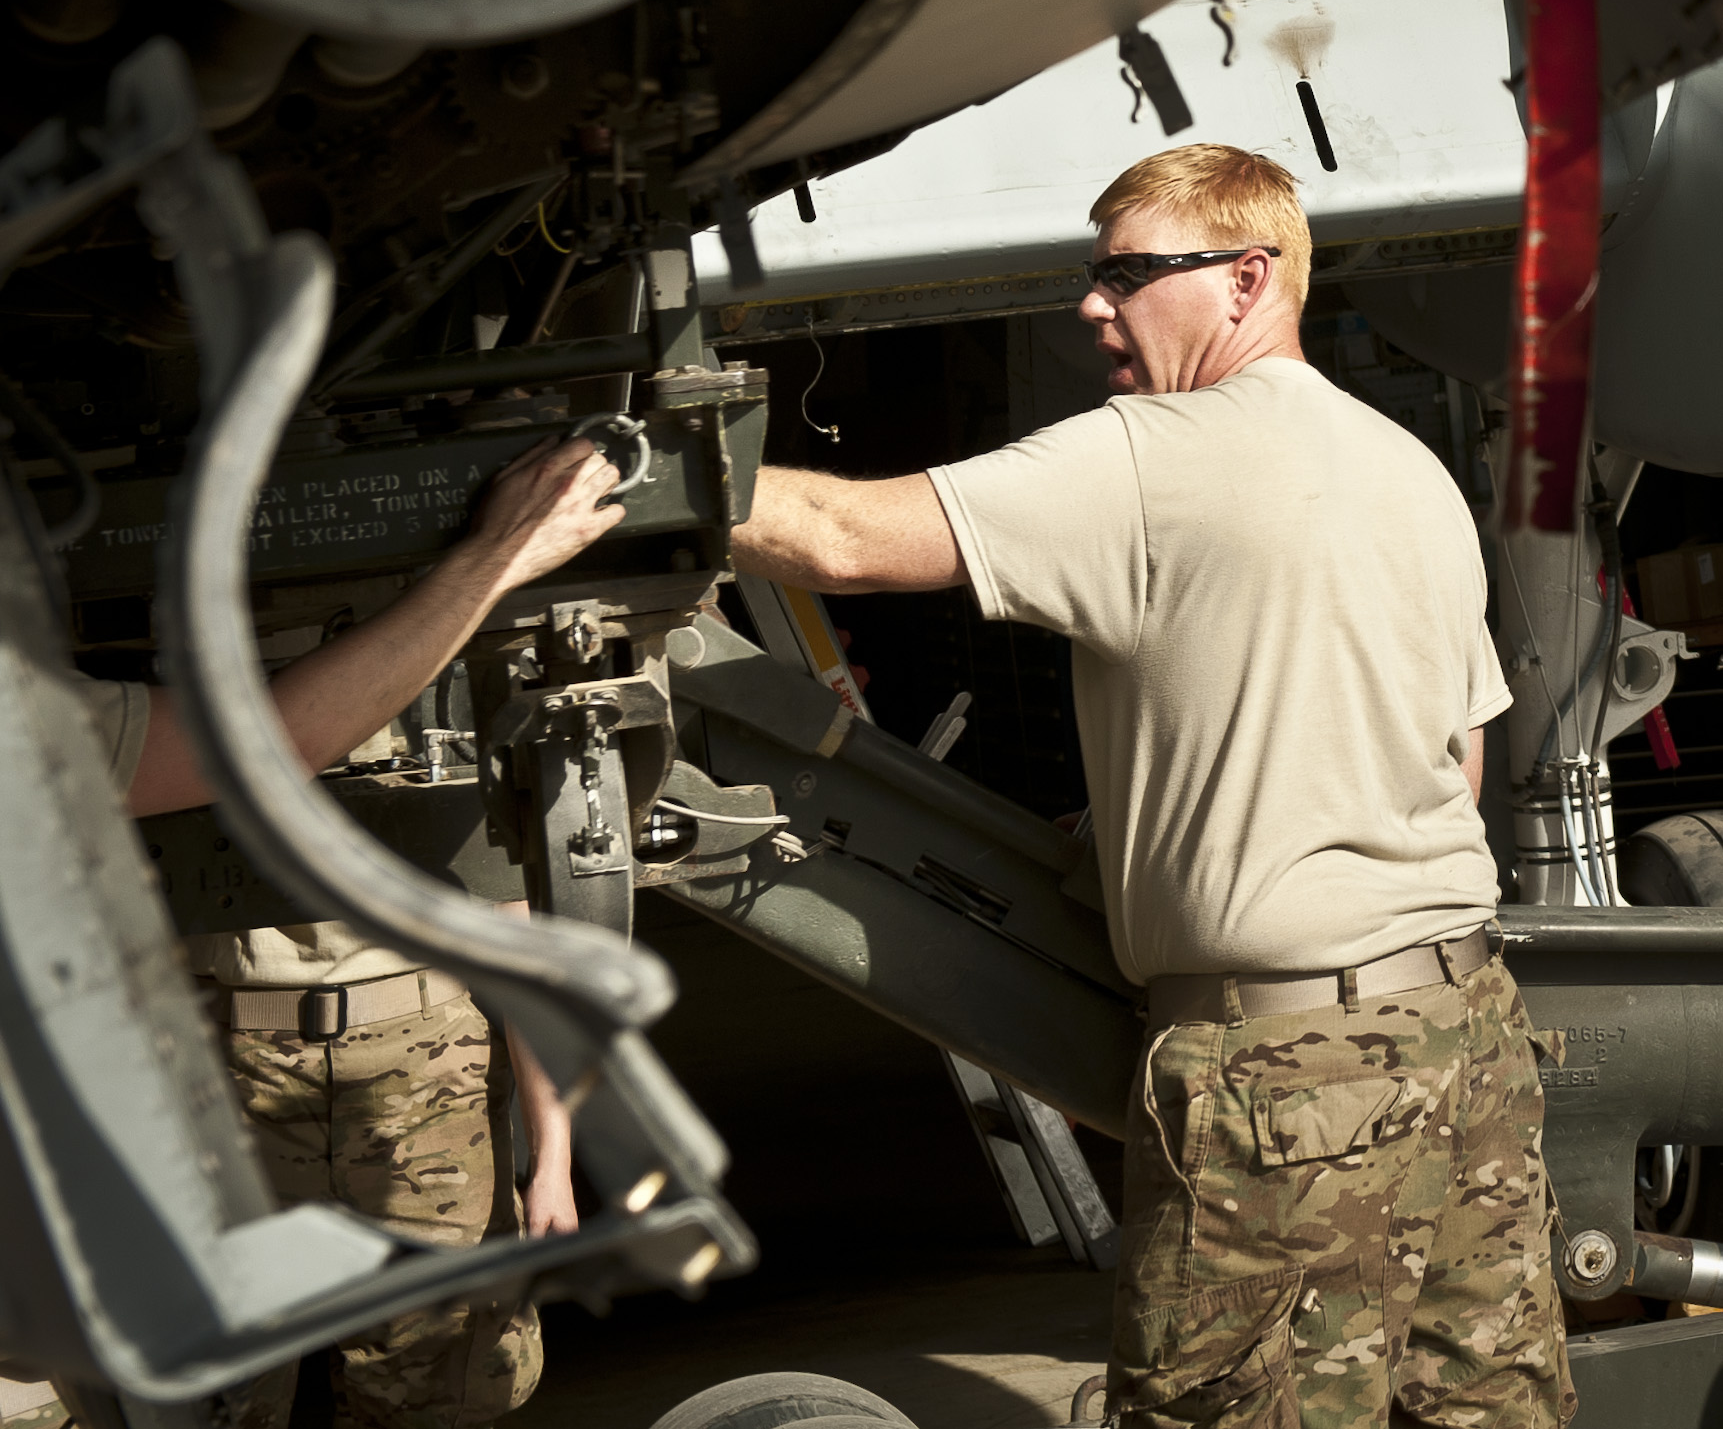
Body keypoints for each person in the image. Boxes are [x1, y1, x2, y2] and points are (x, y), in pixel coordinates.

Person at [730, 143, 1572, 1429]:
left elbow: (840, 535)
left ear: (1245, 278)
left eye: (1127, 271)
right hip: (1465, 1032)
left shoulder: (1150, 452)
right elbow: (1451, 768)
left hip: (1287, 1072)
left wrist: (622, 477)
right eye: (1092, 271)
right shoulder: (1408, 466)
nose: (1089, 304)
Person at [77, 432, 625, 1429]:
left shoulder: (426, 723)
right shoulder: (170, 733)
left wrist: (549, 1159)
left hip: (425, 1063)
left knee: (436, 1378)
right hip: (226, 1058)